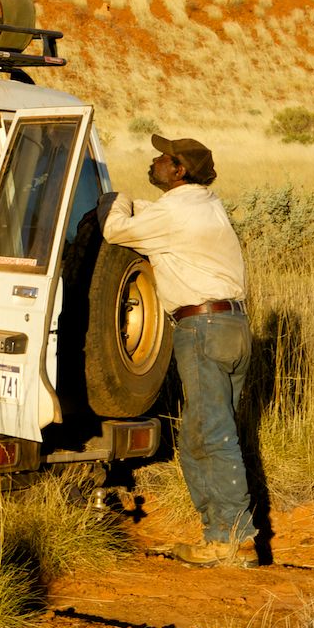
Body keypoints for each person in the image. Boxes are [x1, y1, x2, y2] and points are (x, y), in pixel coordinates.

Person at [100, 134, 254, 567]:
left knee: (209, 436)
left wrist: (116, 198)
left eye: (163, 158)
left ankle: (231, 539)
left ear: (179, 171)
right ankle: (222, 533)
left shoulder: (174, 212)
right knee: (206, 435)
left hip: (201, 326)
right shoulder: (207, 203)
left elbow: (116, 231)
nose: (154, 160)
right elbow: (159, 218)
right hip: (234, 325)